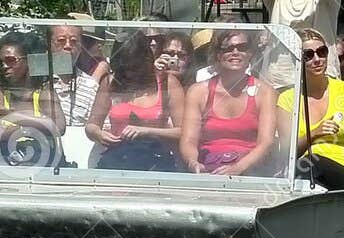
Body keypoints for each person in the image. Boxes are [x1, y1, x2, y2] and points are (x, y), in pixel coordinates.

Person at [180, 28, 279, 176]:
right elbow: (188, 139)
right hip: (208, 166)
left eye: (242, 47)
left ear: (250, 53)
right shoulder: (197, 92)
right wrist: (193, 162)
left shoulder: (265, 92)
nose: (235, 52)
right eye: (228, 48)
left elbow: (266, 142)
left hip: (250, 170)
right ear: (218, 54)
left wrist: (238, 168)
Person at [278, 27, 344, 190]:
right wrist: (314, 134)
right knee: (306, 169)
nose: (317, 59)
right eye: (308, 55)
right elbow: (286, 153)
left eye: (322, 51)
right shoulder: (287, 98)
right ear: (296, 59)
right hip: (305, 173)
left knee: (312, 163)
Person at [86, 36, 185, 173]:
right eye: (125, 67)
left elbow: (183, 131)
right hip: (117, 157)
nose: (129, 73)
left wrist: (146, 131)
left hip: (156, 159)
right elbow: (91, 126)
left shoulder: (168, 82)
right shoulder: (110, 82)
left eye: (134, 66)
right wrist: (99, 134)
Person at [0, 32, 64, 168]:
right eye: (0, 62)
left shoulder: (44, 91)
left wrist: (11, 115)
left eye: (10, 60)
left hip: (43, 162)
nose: (4, 66)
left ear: (29, 61)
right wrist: (36, 126)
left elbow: (58, 127)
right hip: (4, 162)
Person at [49, 21, 110, 128]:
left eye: (73, 41)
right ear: (49, 45)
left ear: (81, 47)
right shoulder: (38, 82)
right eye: (61, 40)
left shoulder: (91, 86)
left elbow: (103, 128)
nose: (68, 46)